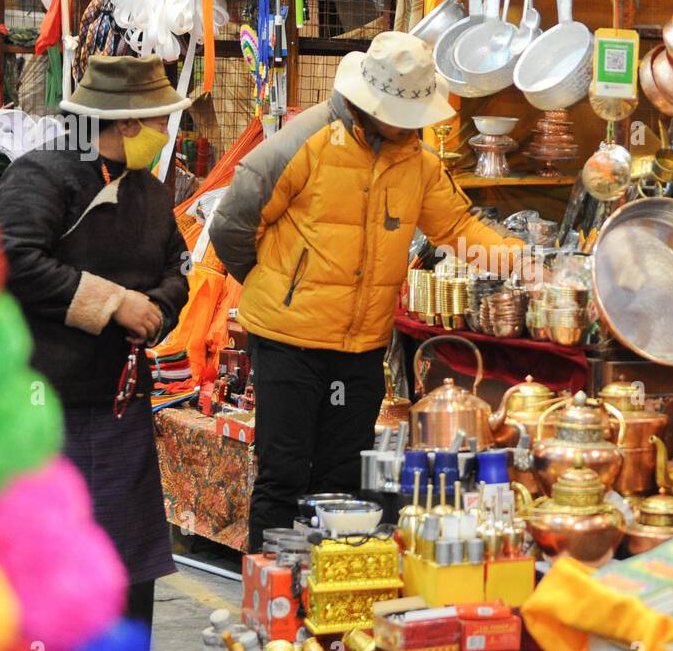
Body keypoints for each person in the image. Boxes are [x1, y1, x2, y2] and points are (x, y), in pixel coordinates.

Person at [211, 32, 522, 549]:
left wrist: (522, 263)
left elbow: (459, 228)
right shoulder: (304, 140)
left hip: (360, 349)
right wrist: (276, 286)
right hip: (289, 342)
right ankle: (269, 609)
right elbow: (231, 226)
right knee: (283, 475)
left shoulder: (418, 163)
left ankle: (327, 604)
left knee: (342, 482)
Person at [0, 55, 191, 635]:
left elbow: (178, 266)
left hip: (121, 405)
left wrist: (156, 310)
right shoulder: (42, 174)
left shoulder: (148, 192)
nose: (159, 132)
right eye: (155, 119)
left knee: (127, 568)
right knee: (53, 570)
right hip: (46, 406)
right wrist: (111, 303)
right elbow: (10, 260)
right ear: (127, 124)